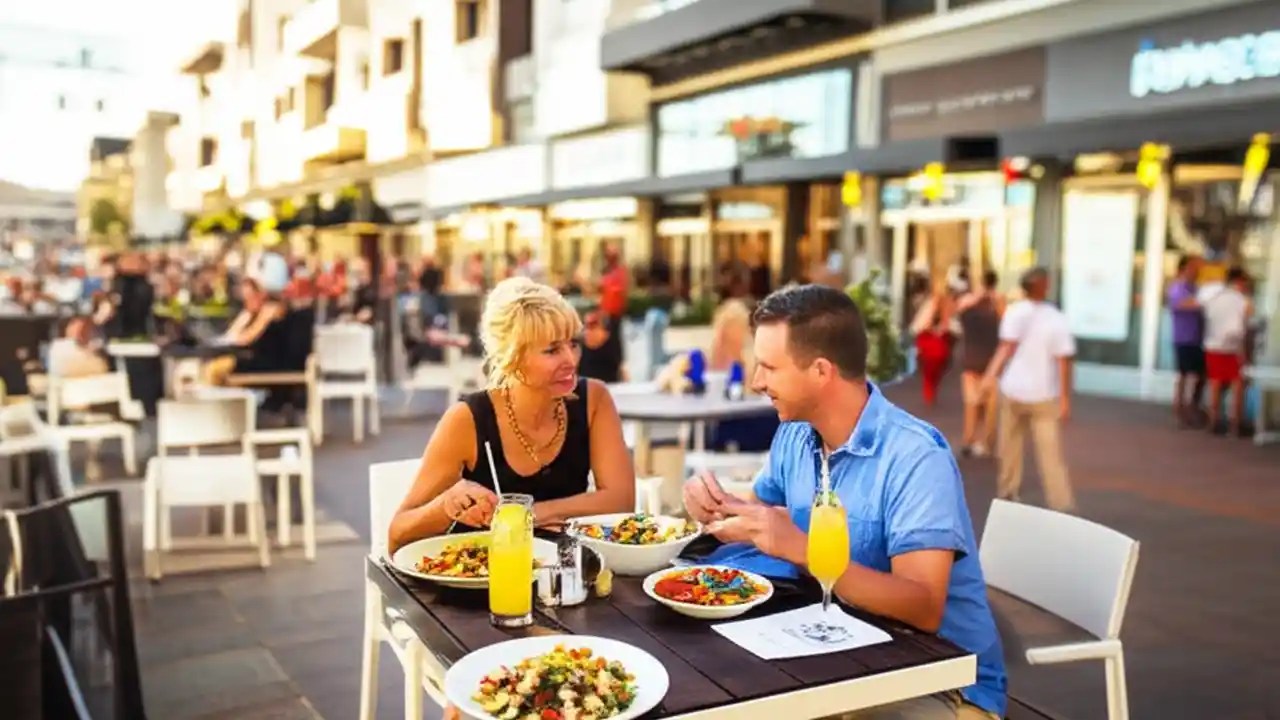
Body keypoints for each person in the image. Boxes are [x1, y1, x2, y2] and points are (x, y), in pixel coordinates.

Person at [683, 284, 1006, 720]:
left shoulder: (915, 457)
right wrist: (716, 504)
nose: (757, 381)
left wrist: (799, 548)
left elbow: (923, 608)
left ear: (820, 371)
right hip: (842, 652)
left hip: (945, 685)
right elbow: (760, 510)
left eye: (769, 367)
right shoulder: (797, 432)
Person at [388, 277, 635, 552]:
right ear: (512, 358)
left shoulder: (593, 400)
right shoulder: (467, 420)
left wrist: (527, 515)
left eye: (572, 344)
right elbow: (397, 534)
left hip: (565, 581)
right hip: (482, 579)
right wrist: (445, 506)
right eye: (552, 349)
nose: (571, 360)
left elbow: (621, 501)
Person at [981, 268, 1076, 512]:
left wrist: (989, 376)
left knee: (1009, 448)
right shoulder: (1056, 318)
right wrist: (1065, 398)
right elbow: (1064, 361)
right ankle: (1060, 503)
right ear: (1044, 286)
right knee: (1050, 454)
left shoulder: (1015, 312)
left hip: (1012, 389)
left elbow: (1006, 348)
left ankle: (1008, 494)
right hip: (1043, 394)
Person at [203, 278, 288, 386]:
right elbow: (232, 334)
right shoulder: (250, 312)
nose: (247, 302)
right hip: (251, 357)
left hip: (270, 361)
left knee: (215, 370)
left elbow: (248, 337)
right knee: (210, 365)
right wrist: (245, 317)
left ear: (261, 294)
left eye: (250, 297)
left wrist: (236, 336)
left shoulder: (270, 310)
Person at [955, 271, 1004, 456]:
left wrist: (976, 296)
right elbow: (1006, 321)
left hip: (971, 359)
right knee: (990, 407)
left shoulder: (969, 304)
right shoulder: (997, 304)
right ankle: (987, 443)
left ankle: (968, 439)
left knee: (971, 404)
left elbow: (958, 310)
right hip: (991, 362)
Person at [1201, 267, 1252, 436]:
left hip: (1214, 345)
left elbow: (1204, 314)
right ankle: (1234, 425)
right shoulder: (1242, 300)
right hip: (1234, 347)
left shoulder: (1213, 297)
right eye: (1245, 282)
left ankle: (1213, 421)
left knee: (1215, 383)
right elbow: (1248, 319)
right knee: (1237, 385)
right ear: (1239, 281)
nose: (1246, 285)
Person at [1167, 255, 1205, 427]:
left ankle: (1192, 408)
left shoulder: (1196, 288)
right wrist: (1202, 303)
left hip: (1198, 339)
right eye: (1193, 268)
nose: (1196, 272)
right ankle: (1179, 411)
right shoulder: (1177, 288)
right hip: (1183, 338)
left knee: (1198, 376)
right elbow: (1181, 305)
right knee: (1183, 375)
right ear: (1183, 269)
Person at [911, 279, 955, 407]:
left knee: (930, 372)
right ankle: (930, 392)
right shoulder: (937, 304)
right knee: (932, 371)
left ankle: (930, 393)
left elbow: (920, 325)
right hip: (935, 341)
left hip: (932, 341)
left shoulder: (934, 304)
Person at [577, 308, 624, 384]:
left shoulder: (613, 347)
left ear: (605, 332)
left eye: (593, 327)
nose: (587, 331)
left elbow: (621, 368)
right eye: (586, 326)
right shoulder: (578, 349)